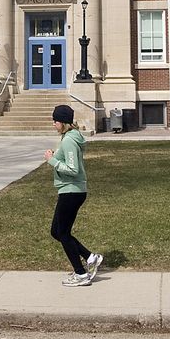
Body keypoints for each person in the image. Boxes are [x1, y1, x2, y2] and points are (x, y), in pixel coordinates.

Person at [44, 104, 103, 287]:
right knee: (56, 231)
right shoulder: (68, 138)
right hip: (69, 190)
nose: (53, 123)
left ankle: (81, 274)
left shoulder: (69, 140)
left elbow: (73, 169)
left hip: (72, 191)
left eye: (55, 121)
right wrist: (56, 156)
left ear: (63, 122)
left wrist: (52, 160)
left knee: (62, 233)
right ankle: (90, 257)